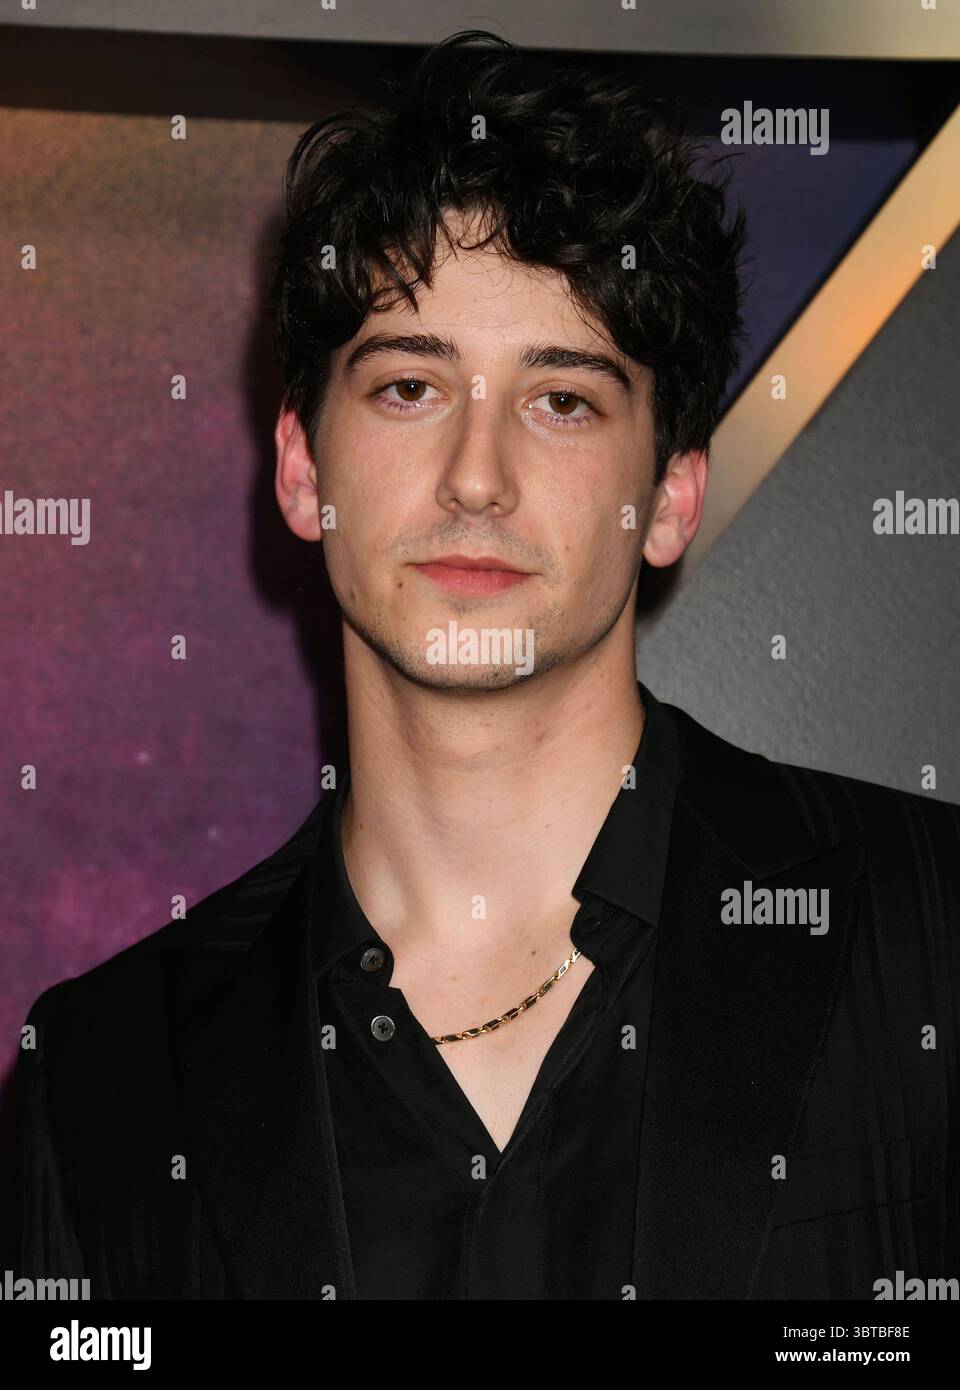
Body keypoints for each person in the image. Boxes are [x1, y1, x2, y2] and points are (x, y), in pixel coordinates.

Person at [2, 29, 957, 1302]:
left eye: (562, 398)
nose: (475, 474)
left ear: (671, 495)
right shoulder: (100, 1080)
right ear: (301, 469)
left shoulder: (933, 933)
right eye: (409, 385)